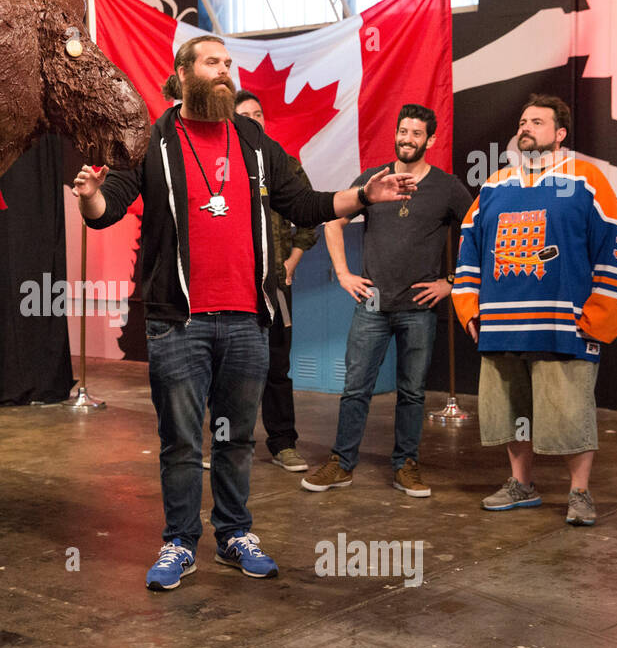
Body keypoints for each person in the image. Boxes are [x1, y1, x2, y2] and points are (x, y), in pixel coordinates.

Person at [69, 35, 416, 590]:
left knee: (233, 439)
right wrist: (89, 194)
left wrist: (363, 198)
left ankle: (234, 534)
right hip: (177, 322)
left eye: (230, 63)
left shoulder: (253, 141)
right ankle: (179, 543)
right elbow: (106, 209)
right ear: (183, 73)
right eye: (214, 63)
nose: (227, 71)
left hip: (246, 319)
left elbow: (301, 204)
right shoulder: (152, 140)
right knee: (182, 441)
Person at [452, 94, 617, 526]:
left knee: (571, 413)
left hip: (562, 323)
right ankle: (521, 484)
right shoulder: (493, 186)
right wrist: (470, 308)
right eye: (523, 120)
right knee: (512, 413)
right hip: (502, 325)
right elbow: (469, 248)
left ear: (560, 133)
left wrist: (601, 311)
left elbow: (614, 243)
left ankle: (580, 492)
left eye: (537, 121)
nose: (526, 127)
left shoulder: (586, 179)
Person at [302, 104, 471, 498]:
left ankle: (406, 465)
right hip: (372, 307)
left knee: (412, 392)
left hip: (419, 309)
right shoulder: (374, 179)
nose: (406, 139)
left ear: (430, 140)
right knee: (355, 387)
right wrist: (344, 274)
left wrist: (452, 282)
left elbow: (479, 231)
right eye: (402, 131)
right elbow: (333, 221)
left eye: (415, 133)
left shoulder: (446, 187)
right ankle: (342, 464)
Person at [234, 90, 317, 472]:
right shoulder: (224, 165)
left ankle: (283, 444)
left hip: (276, 287)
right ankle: (228, 446)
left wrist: (293, 260)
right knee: (229, 369)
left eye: (258, 112)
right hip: (232, 285)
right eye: (244, 114)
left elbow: (309, 214)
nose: (253, 119)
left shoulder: (283, 162)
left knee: (276, 366)